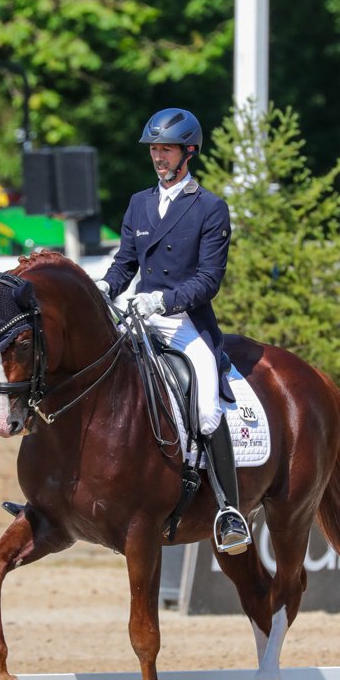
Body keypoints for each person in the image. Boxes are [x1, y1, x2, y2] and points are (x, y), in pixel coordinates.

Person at [96, 107, 251, 553]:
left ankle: (229, 511)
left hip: (184, 323)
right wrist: (105, 287)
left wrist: (163, 300)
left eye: (166, 149)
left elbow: (208, 279)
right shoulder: (139, 203)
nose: (158, 157)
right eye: (154, 149)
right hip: (139, 318)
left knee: (206, 408)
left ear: (189, 152)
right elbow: (125, 262)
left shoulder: (210, 208)